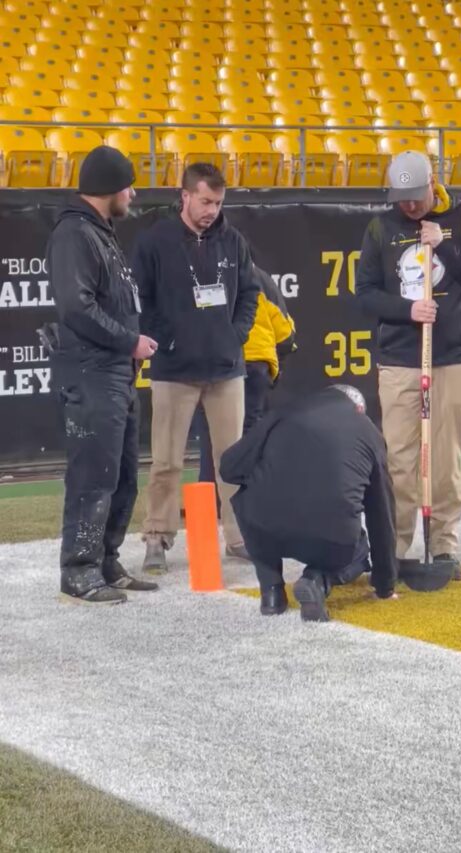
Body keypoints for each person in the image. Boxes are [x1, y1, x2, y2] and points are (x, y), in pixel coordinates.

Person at [355, 151, 461, 579]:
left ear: (432, 183)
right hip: (399, 358)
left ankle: (443, 545)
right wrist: (406, 310)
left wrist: (447, 247)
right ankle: (397, 546)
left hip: (451, 357)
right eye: (401, 198)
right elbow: (364, 294)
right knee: (399, 457)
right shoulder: (381, 228)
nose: (409, 206)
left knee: (445, 456)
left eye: (415, 197)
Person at [45, 145, 160, 604]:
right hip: (93, 374)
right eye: (128, 184)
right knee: (94, 474)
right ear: (111, 186)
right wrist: (128, 340)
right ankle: (78, 570)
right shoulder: (75, 233)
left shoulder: (101, 232)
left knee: (123, 475)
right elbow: (77, 307)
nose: (133, 193)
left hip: (115, 374)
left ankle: (106, 560)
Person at [136, 163, 262, 572]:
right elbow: (142, 299)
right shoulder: (155, 240)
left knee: (233, 459)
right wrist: (165, 340)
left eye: (219, 202)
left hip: (227, 368)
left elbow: (250, 292)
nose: (212, 209)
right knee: (167, 460)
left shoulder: (234, 240)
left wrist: (236, 335)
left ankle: (239, 536)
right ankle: (157, 536)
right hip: (174, 368)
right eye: (205, 201)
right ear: (185, 195)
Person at [220, 385, 399, 622]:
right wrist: (385, 584)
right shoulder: (370, 433)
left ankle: (271, 592)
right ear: (358, 409)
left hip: (263, 527)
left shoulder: (283, 413)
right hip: (330, 535)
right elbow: (381, 515)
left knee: (252, 501)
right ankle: (316, 580)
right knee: (358, 547)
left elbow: (229, 467)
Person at [191, 263, 295, 506]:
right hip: (254, 363)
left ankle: (212, 502)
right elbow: (286, 332)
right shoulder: (261, 278)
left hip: (212, 363)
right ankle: (249, 499)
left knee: (210, 433)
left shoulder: (200, 273)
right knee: (249, 434)